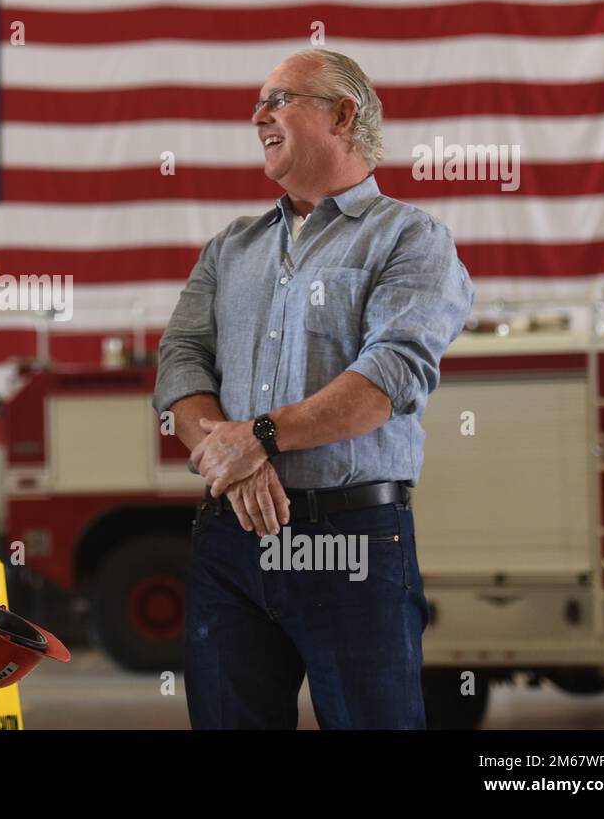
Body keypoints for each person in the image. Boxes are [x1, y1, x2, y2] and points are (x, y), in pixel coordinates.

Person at [153, 48, 474, 729]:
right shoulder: (229, 249)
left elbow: (385, 381)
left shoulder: (411, 240)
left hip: (352, 543)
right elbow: (180, 360)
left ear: (343, 113)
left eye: (278, 100)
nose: (257, 115)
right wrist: (231, 460)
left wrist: (256, 438)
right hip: (231, 540)